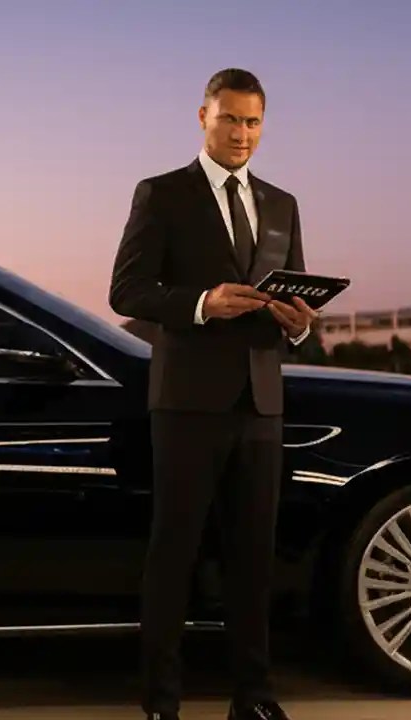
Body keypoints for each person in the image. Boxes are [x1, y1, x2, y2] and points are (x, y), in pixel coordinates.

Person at [108, 67, 316, 720]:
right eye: (231, 119)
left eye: (253, 122)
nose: (242, 133)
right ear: (203, 117)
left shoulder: (282, 203)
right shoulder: (163, 194)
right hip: (188, 403)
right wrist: (202, 303)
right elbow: (127, 290)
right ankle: (160, 704)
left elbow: (298, 293)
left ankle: (253, 698)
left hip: (261, 402)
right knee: (174, 556)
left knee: (253, 561)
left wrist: (301, 323)